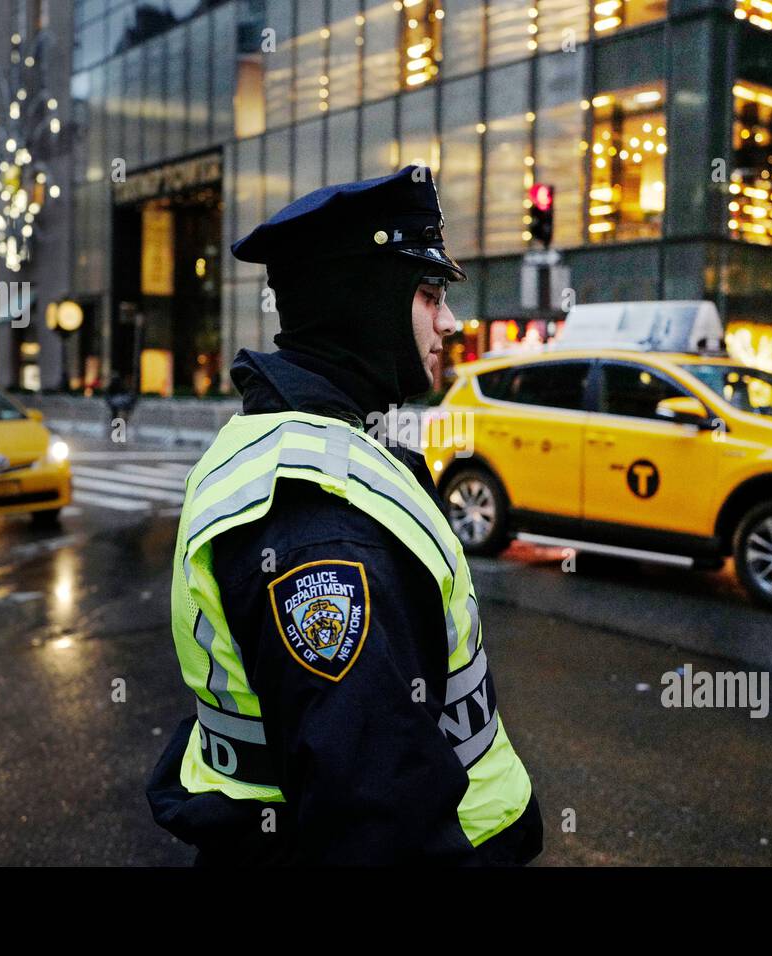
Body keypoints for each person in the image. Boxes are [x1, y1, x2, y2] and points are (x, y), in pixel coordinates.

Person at [146, 165, 543, 865]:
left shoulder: (309, 442)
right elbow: (373, 820)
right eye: (428, 294)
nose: (450, 322)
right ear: (364, 303)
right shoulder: (321, 525)